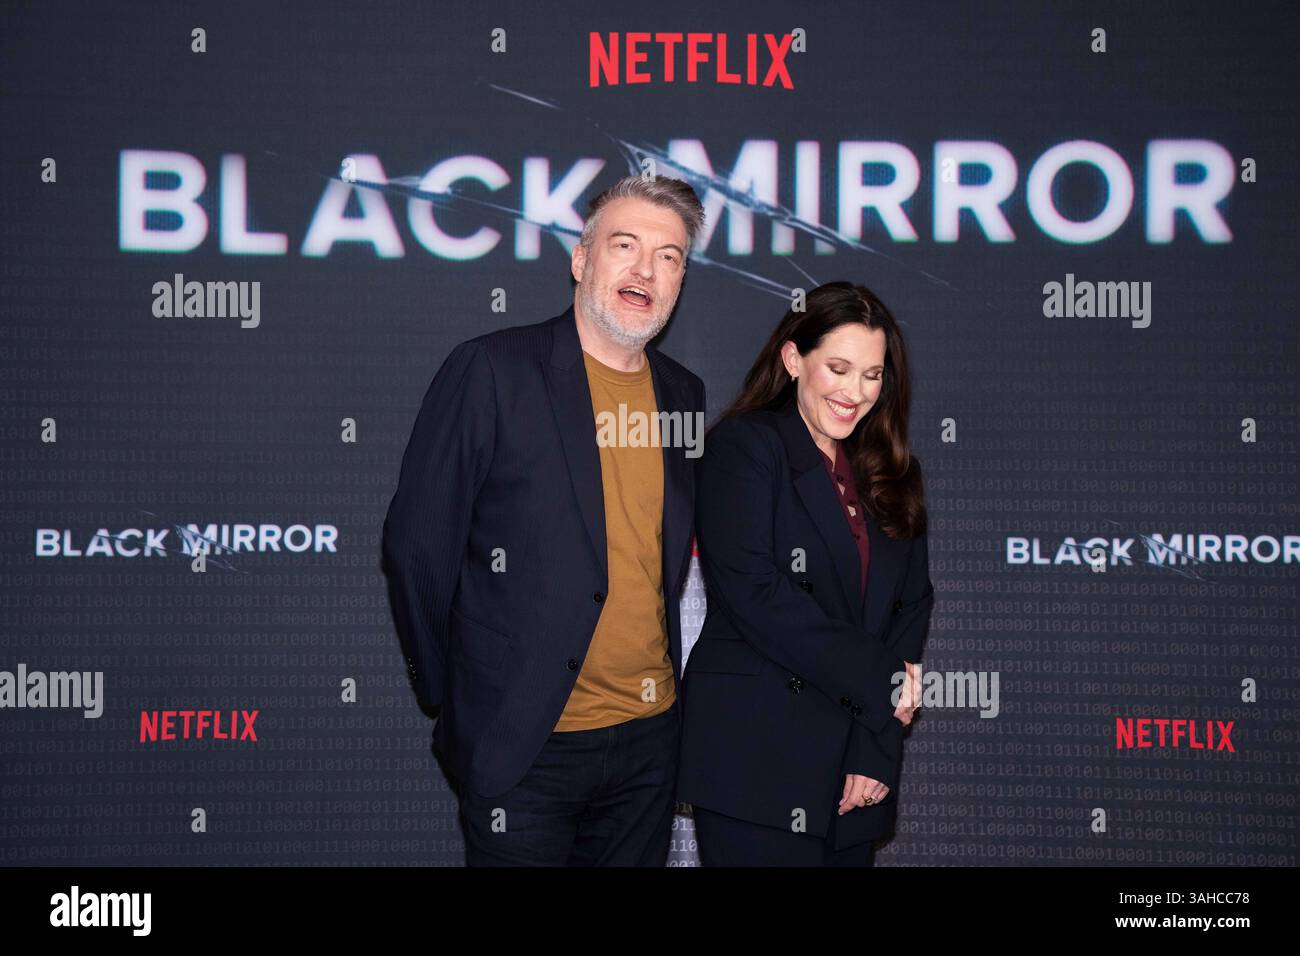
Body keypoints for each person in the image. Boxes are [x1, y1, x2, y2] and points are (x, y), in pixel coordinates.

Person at [381, 175, 706, 865]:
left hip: (648, 747)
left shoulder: (684, 394)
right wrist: (457, 696)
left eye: (670, 256)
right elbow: (416, 549)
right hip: (525, 746)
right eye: (626, 245)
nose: (646, 270)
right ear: (581, 259)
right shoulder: (494, 371)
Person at [678, 281, 935, 866]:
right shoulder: (745, 448)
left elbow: (910, 608)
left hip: (857, 765)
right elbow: (758, 596)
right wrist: (886, 680)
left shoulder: (896, 472)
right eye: (838, 368)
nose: (856, 391)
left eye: (872, 374)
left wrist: (876, 752)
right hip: (757, 758)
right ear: (794, 360)